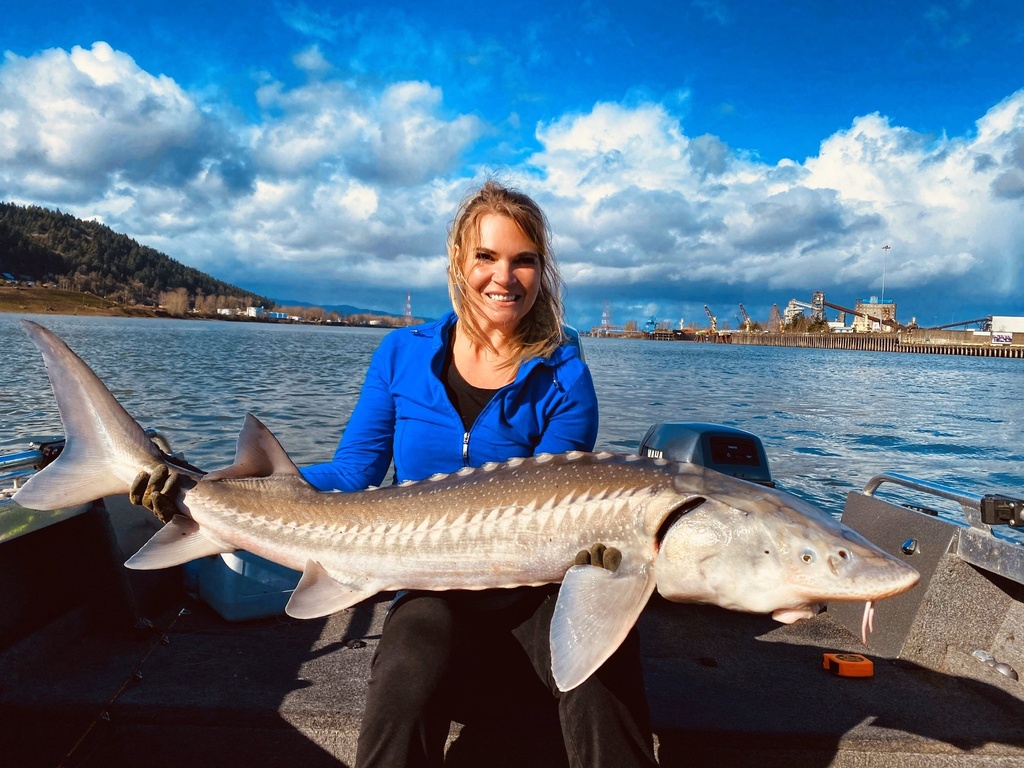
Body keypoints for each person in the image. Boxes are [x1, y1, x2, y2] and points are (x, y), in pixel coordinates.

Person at [134, 181, 658, 768]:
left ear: (542, 270)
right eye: (486, 256)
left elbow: (562, 504)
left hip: (534, 598)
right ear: (459, 260)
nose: (503, 278)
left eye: (523, 260)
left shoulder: (566, 378)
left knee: (607, 670)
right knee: (406, 670)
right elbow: (354, 471)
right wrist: (211, 487)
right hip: (428, 592)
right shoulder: (400, 354)